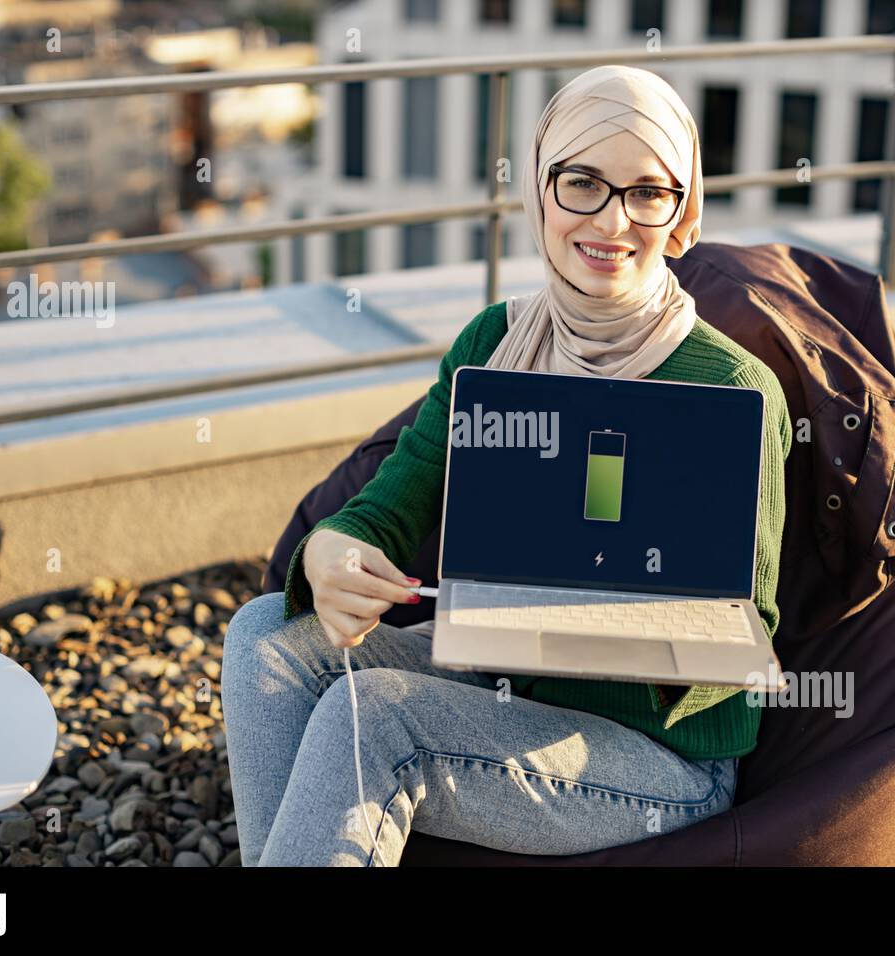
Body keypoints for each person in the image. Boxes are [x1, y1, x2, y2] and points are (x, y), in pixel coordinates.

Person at [221, 65, 792, 867]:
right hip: (503, 683)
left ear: (684, 208)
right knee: (265, 632)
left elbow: (751, 629)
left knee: (375, 715)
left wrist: (621, 626)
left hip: (658, 760)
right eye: (582, 183)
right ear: (539, 188)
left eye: (647, 193)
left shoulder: (732, 387)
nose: (613, 221)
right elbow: (385, 506)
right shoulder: (496, 342)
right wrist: (331, 552)